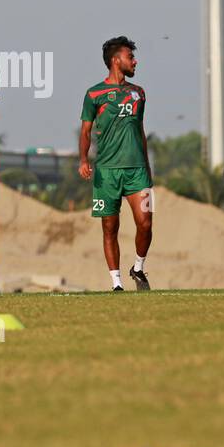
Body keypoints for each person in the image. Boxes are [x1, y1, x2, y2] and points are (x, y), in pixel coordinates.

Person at [79, 36, 153, 292]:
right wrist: (83, 160)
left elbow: (140, 130)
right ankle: (117, 283)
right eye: (130, 57)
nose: (135, 61)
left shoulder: (139, 93)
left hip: (137, 171)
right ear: (115, 60)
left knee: (145, 222)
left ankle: (139, 267)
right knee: (110, 227)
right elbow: (86, 131)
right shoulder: (94, 94)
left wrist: (147, 164)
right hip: (107, 173)